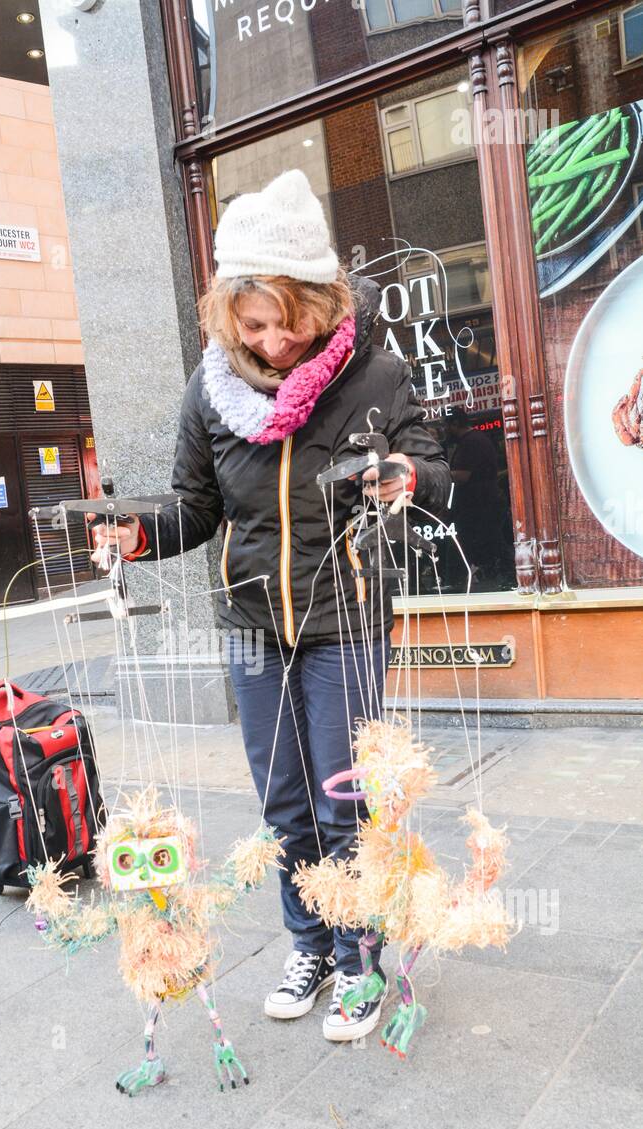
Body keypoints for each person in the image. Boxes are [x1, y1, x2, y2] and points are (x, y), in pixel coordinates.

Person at [90, 170, 450, 1042]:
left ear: (324, 302)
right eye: (257, 323)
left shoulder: (376, 376)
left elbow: (432, 471)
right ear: (227, 315)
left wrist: (405, 480)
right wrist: (138, 534)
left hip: (344, 620)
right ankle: (310, 943)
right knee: (284, 802)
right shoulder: (210, 394)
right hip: (253, 628)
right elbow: (192, 505)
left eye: (295, 319)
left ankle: (361, 958)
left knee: (344, 802)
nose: (279, 340)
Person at [444, 407, 502, 587]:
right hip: (486, 501)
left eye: (446, 425)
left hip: (476, 504)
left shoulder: (470, 442)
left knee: (469, 543)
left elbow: (464, 475)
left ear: (454, 423)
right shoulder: (478, 439)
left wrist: (440, 474)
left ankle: (459, 581)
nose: (444, 430)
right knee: (493, 540)